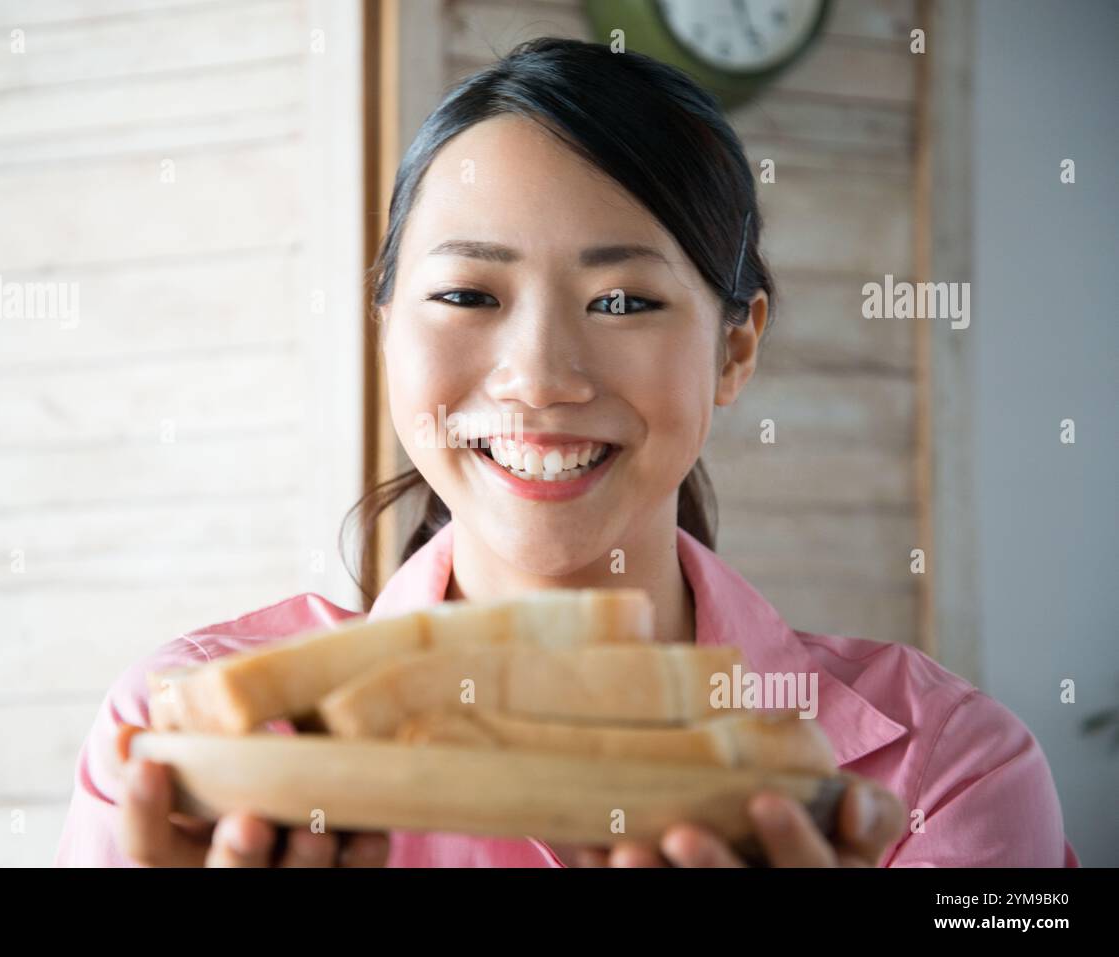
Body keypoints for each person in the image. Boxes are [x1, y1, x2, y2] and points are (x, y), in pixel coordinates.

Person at [54, 37, 1078, 868]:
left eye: (624, 301)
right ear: (384, 332)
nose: (539, 376)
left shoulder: (942, 772)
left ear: (735, 347)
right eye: (467, 296)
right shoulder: (184, 741)